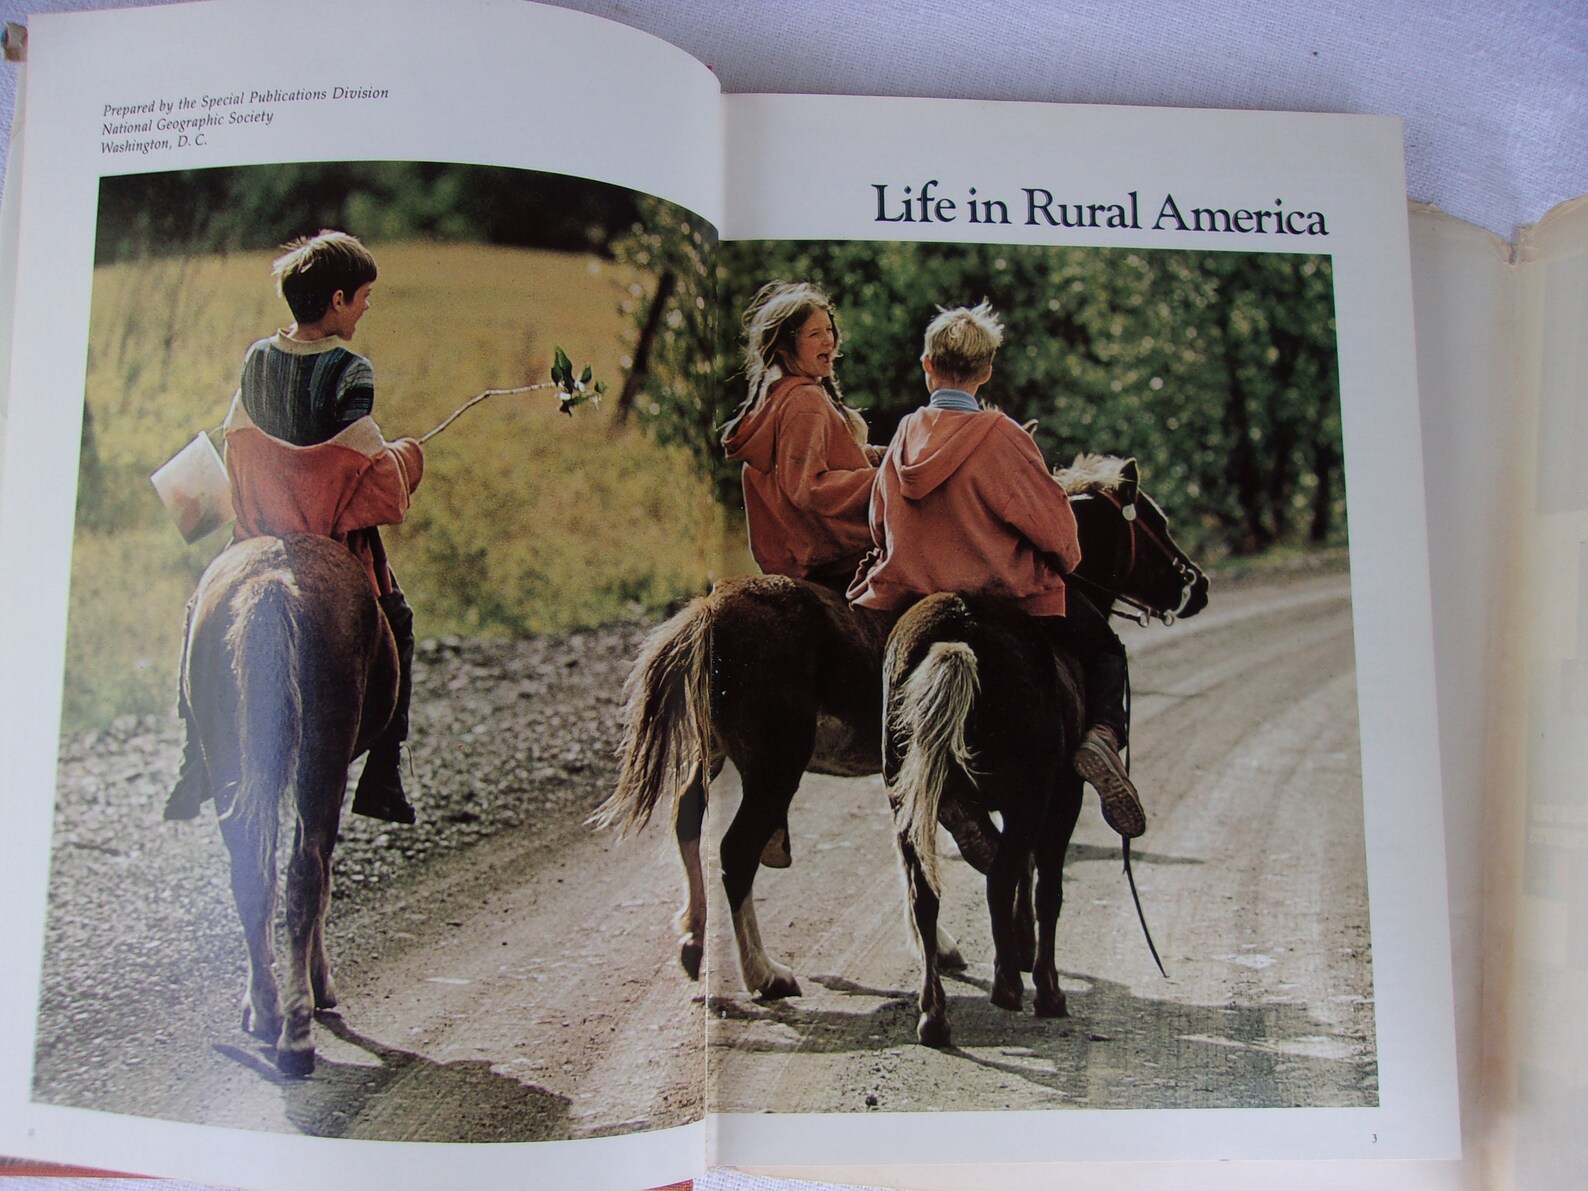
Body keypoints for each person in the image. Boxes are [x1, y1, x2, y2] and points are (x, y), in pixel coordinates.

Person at [848, 302, 1145, 838]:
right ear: (986, 372)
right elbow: (1060, 534)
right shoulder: (1002, 437)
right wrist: (1060, 559)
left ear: (927, 365)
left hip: (913, 600)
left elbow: (877, 522)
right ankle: (1103, 736)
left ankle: (935, 788)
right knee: (1105, 649)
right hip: (1002, 598)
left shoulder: (905, 434)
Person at [164, 230, 424, 826]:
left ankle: (193, 757)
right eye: (363, 297)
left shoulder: (256, 359)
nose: (366, 308)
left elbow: (245, 443)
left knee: (198, 610)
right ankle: (383, 773)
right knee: (399, 623)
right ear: (337, 300)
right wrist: (409, 458)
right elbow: (367, 481)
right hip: (331, 545)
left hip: (257, 535)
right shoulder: (353, 373)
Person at [721, 281, 883, 865]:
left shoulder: (772, 401)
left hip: (789, 561)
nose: (829, 342)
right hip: (834, 557)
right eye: (816, 333)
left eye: (831, 330)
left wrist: (875, 458)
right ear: (787, 344)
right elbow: (808, 487)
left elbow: (815, 467)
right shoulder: (809, 401)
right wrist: (884, 481)